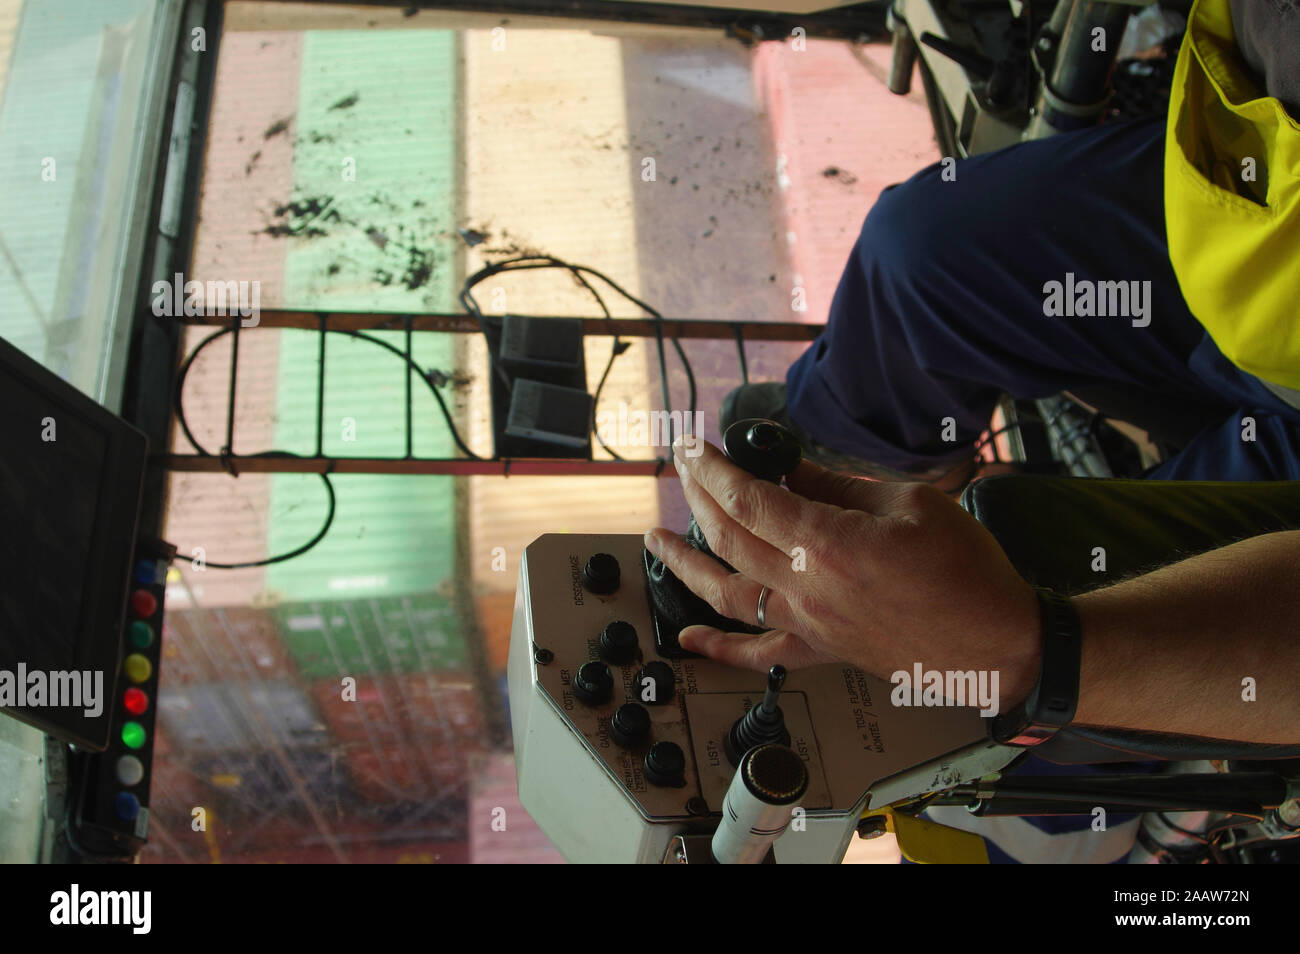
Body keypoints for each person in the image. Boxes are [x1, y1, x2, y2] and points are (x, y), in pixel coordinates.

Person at [646, 0, 1300, 863]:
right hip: (1257, 211)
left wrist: (1025, 652)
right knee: (915, 254)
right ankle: (859, 449)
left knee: (1043, 591)